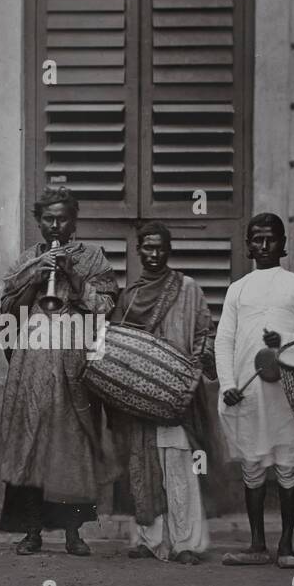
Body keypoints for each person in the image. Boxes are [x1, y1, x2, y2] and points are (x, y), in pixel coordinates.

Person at [0, 185, 119, 557]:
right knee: (31, 444)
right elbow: (6, 310)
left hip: (74, 361)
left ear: (73, 221)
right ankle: (32, 531)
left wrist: (74, 279)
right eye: (48, 219)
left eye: (62, 218)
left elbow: (108, 307)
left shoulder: (93, 257)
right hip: (31, 365)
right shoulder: (27, 259)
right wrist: (33, 280)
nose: (55, 225)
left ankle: (73, 534)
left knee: (72, 447)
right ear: (38, 221)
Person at [110, 221, 217, 565]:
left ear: (169, 250)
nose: (154, 254)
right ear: (138, 250)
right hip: (141, 395)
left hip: (176, 393)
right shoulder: (129, 298)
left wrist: (192, 368)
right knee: (142, 465)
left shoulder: (188, 289)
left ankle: (186, 543)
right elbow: (118, 345)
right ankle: (148, 538)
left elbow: (204, 333)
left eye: (160, 248)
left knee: (178, 465)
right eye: (148, 248)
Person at [216, 213, 294, 567]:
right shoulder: (238, 289)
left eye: (270, 239)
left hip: (287, 394)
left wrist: (286, 341)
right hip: (247, 392)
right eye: (256, 239)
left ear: (283, 244)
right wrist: (228, 383)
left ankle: (286, 545)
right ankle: (257, 544)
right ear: (247, 245)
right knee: (253, 465)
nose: (263, 246)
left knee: (287, 467)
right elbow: (224, 341)